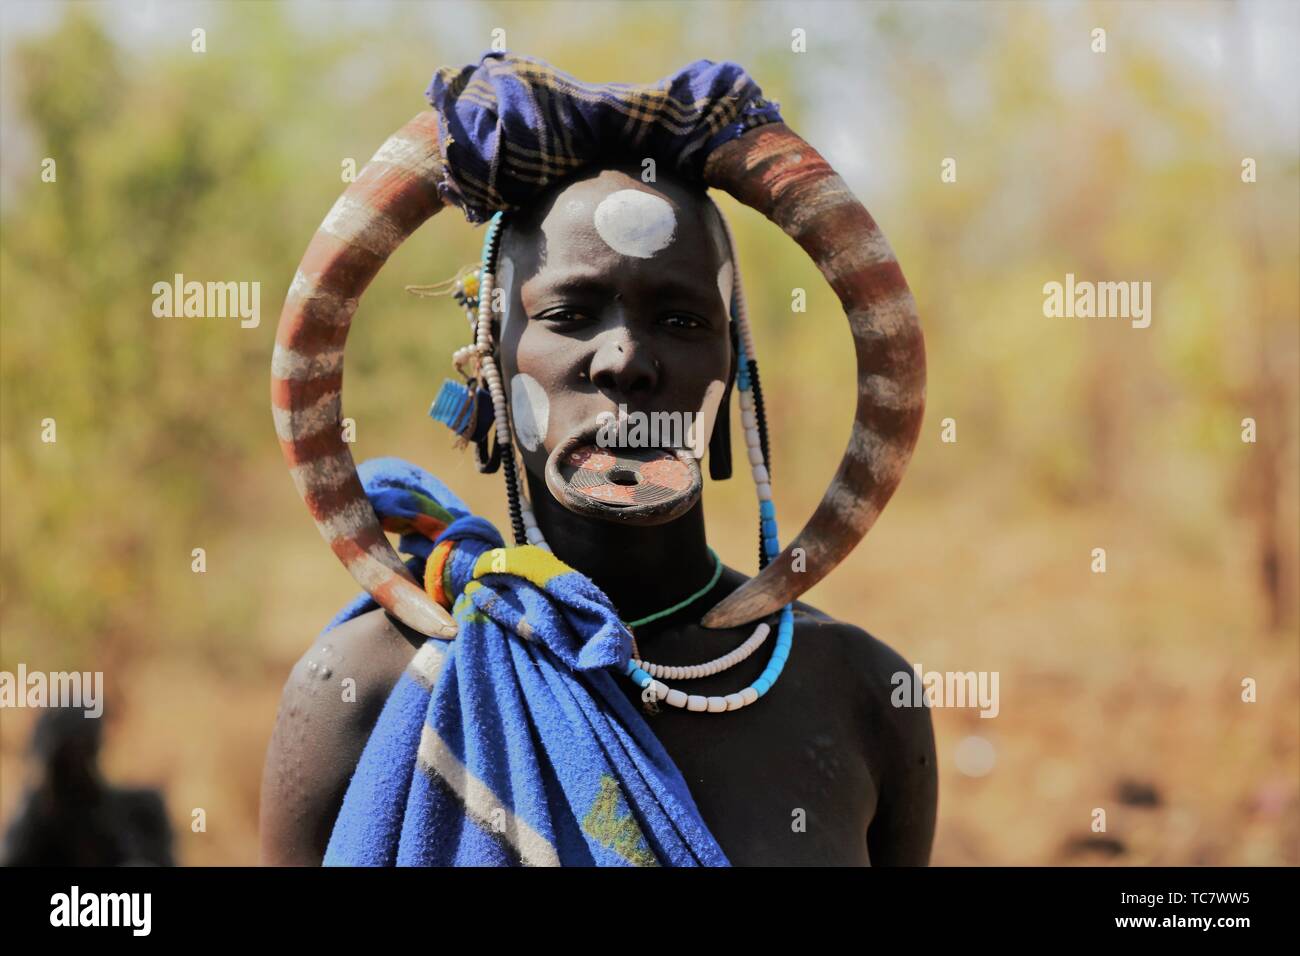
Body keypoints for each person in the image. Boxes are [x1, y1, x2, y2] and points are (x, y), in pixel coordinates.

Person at [261, 51, 934, 866]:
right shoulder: (362, 689)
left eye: (682, 321)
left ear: (734, 377)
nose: (623, 360)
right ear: (492, 369)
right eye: (571, 312)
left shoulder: (862, 697)